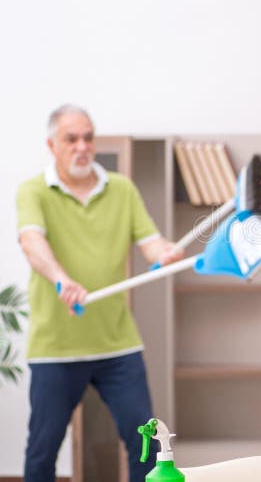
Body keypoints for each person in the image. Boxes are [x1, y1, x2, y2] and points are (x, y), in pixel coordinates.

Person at [16, 104, 185, 481]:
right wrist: (61, 278)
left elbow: (151, 243)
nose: (82, 146)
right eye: (71, 138)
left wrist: (166, 252)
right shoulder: (33, 191)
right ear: (51, 144)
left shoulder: (122, 189)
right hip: (56, 346)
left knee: (146, 442)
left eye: (88, 137)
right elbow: (31, 241)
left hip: (116, 344)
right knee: (42, 449)